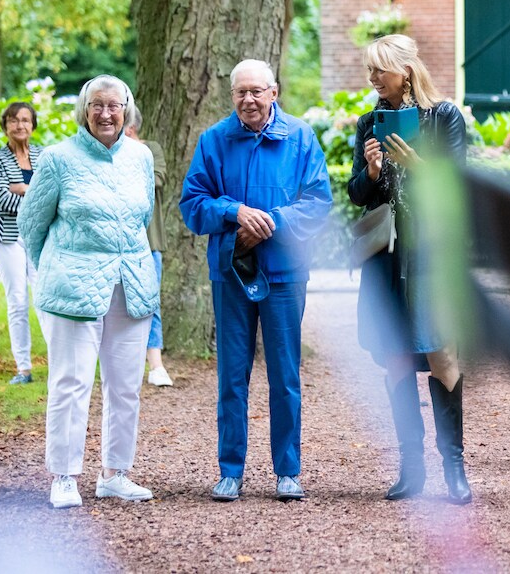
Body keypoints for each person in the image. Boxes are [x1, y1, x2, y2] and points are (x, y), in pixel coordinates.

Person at [180, 59, 332, 502]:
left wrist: (270, 221)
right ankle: (231, 470)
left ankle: (288, 471)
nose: (249, 99)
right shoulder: (213, 140)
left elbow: (318, 202)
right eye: (241, 92)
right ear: (232, 96)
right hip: (231, 272)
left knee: (285, 375)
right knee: (232, 375)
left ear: (274, 92)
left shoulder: (300, 137)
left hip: (284, 274)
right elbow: (192, 204)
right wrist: (233, 212)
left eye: (257, 91)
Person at [18, 75, 158, 509]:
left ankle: (115, 473)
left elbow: (142, 216)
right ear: (84, 110)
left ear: (126, 109)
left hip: (130, 284)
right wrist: (58, 268)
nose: (105, 113)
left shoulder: (141, 156)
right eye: (96, 105)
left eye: (113, 106)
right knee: (71, 382)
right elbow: (30, 225)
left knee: (125, 387)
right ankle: (63, 475)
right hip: (73, 287)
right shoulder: (59, 159)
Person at [347, 34, 472, 505]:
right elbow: (358, 195)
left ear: (406, 70)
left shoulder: (444, 117)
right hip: (385, 255)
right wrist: (373, 173)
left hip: (433, 255)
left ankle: (453, 468)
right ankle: (411, 468)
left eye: (380, 70)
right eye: (370, 72)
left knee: (441, 353)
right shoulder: (369, 123)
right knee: (395, 354)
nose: (374, 79)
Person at [0, 101, 43, 385]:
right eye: (13, 120)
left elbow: (51, 196)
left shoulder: (44, 156)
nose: (19, 125)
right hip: (7, 237)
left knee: (44, 297)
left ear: (32, 125)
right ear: (5, 125)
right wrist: (36, 194)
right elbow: (3, 200)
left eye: (25, 120)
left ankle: (59, 363)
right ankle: (24, 368)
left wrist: (24, 188)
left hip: (37, 235)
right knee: (18, 300)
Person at [124, 106, 172, 387]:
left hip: (148, 241)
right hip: (113, 243)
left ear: (130, 128)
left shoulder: (150, 149)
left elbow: (157, 180)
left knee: (150, 301)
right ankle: (126, 363)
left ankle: (156, 366)